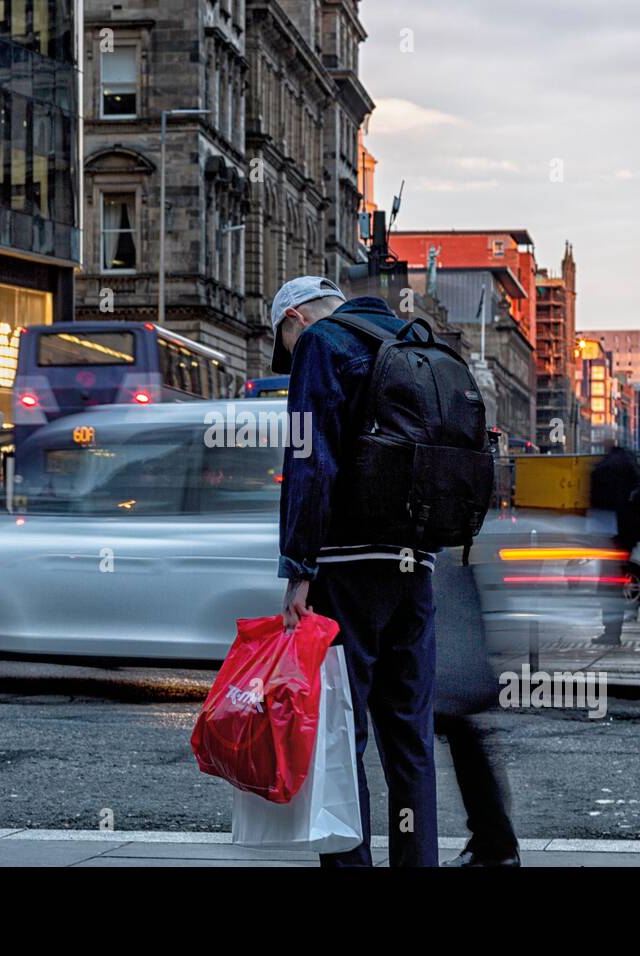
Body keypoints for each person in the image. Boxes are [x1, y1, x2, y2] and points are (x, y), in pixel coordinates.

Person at [274, 275, 439, 868]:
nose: (291, 353)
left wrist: (298, 566)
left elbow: (307, 460)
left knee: (342, 738)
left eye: (284, 342)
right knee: (410, 741)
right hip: (416, 567)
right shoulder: (415, 339)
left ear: (296, 318)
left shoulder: (321, 344)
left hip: (348, 570)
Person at [431, 549, 520, 867]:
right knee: (466, 739)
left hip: (450, 647)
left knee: (462, 738)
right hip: (457, 638)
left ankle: (495, 841)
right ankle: (495, 840)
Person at [588, 442, 640, 645]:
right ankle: (614, 629)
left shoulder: (607, 469)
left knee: (608, 585)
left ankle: (612, 632)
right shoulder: (628, 465)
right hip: (625, 535)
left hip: (612, 535)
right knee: (614, 584)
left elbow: (600, 503)